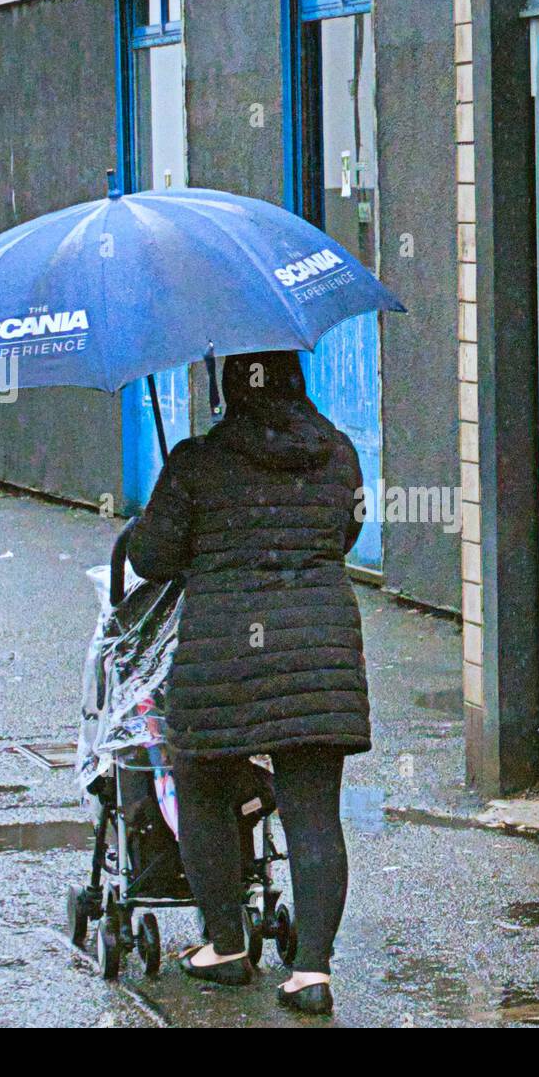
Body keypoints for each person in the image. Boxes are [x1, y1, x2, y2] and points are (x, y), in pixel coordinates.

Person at [127, 350, 370, 1017]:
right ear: (297, 380)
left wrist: (168, 507)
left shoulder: (197, 461)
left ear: (231, 386)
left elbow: (152, 558)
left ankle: (227, 947)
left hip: (225, 650)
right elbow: (348, 534)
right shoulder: (339, 454)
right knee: (314, 812)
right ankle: (312, 971)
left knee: (203, 785)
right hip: (320, 648)